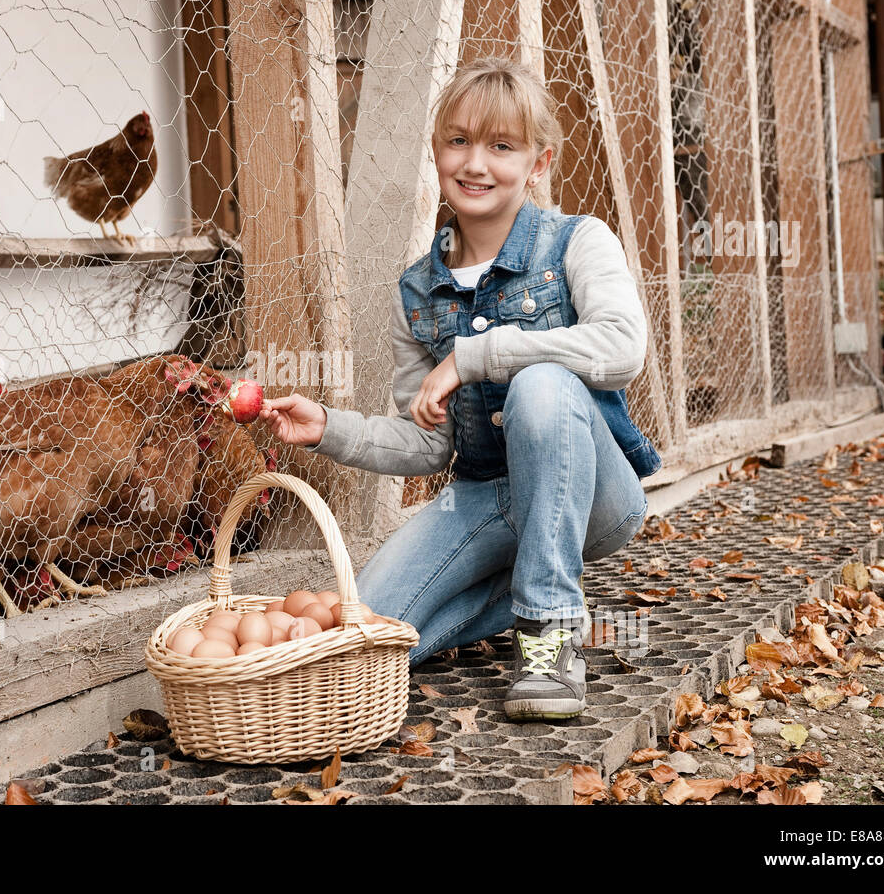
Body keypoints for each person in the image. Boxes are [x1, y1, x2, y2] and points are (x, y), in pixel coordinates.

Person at [257, 55, 661, 721]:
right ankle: (519, 587)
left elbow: (623, 347)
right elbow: (426, 447)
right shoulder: (417, 291)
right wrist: (329, 426)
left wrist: (478, 356)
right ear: (439, 150)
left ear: (538, 164)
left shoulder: (577, 243)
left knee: (541, 386)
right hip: (486, 497)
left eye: (502, 146)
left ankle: (551, 635)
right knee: (374, 634)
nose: (476, 164)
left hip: (595, 495)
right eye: (459, 141)